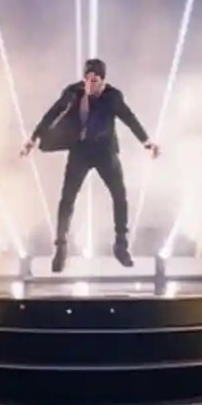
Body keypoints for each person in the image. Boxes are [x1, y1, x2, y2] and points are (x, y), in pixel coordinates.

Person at [20, 58, 160, 272]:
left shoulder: (112, 97)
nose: (90, 84)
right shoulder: (73, 93)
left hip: (104, 151)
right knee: (67, 198)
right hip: (81, 150)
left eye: (95, 80)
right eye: (88, 79)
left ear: (103, 81)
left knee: (119, 195)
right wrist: (33, 139)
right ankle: (60, 248)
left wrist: (146, 142)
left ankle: (120, 245)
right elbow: (52, 113)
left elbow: (129, 118)